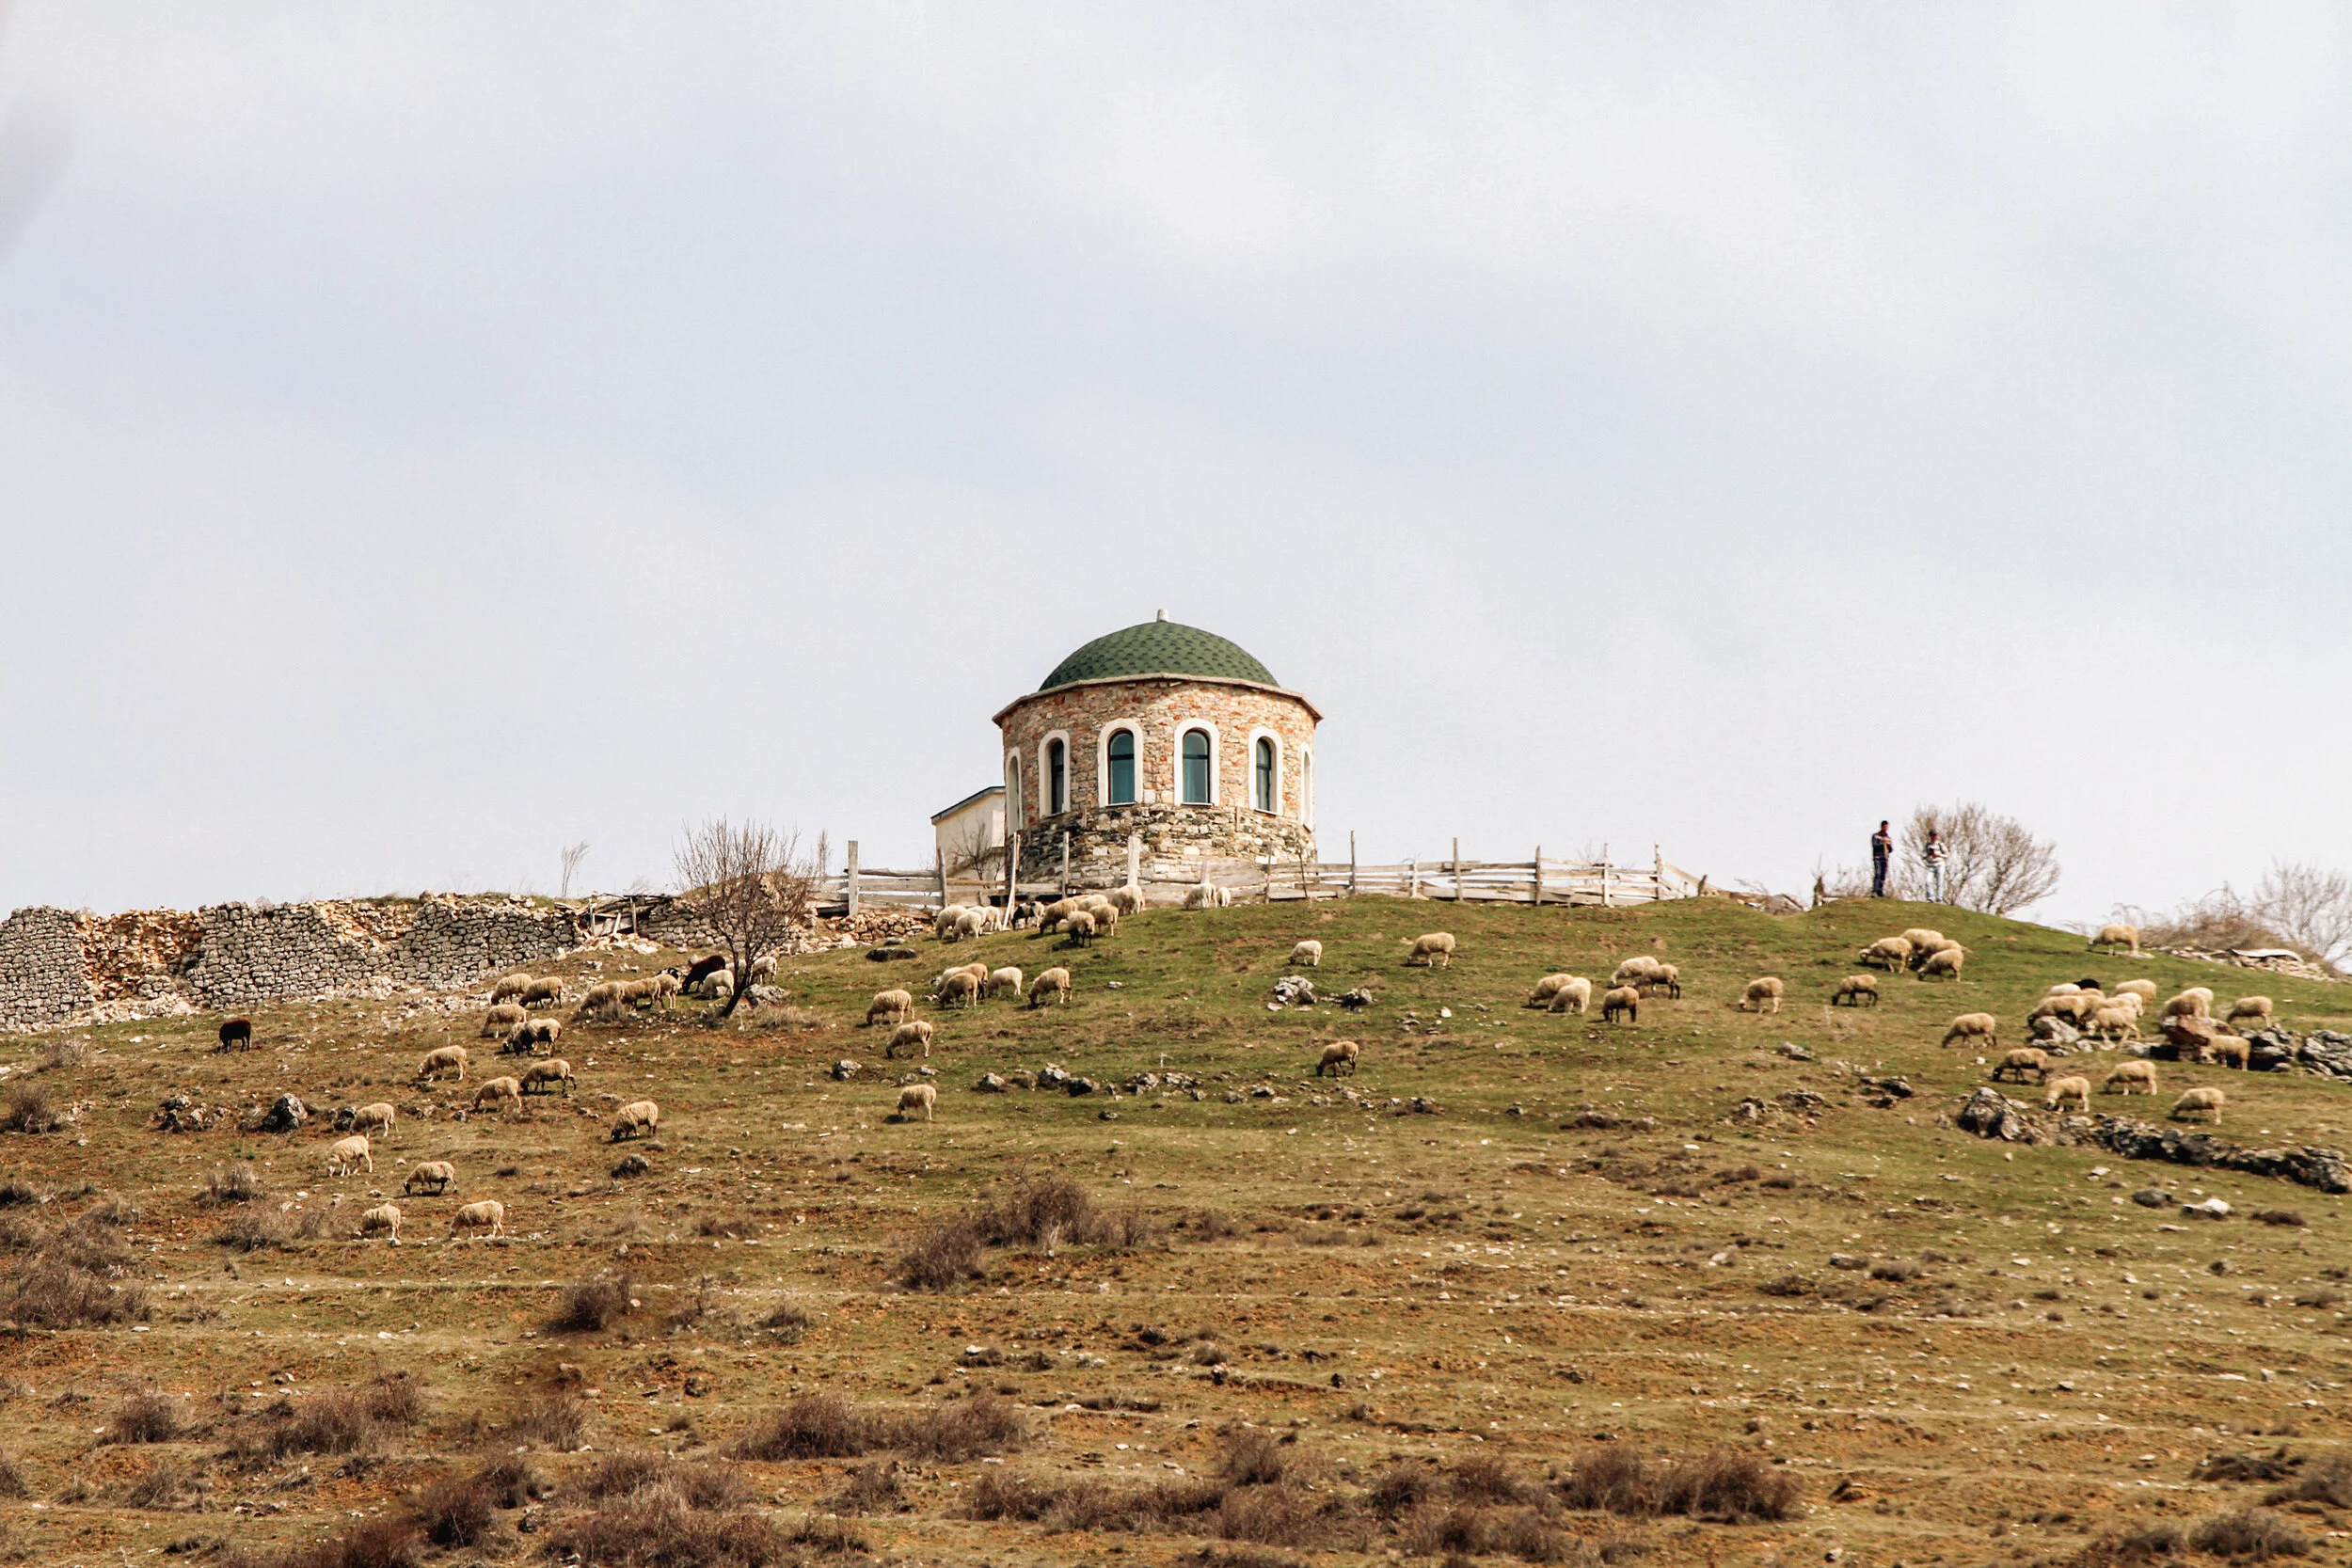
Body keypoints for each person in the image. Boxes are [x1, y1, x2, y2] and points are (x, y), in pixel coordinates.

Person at [1922, 828, 1947, 902]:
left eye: (1935, 835)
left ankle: (1939, 897)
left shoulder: (1940, 844)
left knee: (1940, 880)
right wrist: (1928, 854)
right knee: (1928, 880)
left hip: (1940, 864)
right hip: (1931, 865)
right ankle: (1930, 897)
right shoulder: (1927, 845)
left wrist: (1938, 855)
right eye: (1932, 835)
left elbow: (1947, 855)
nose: (1934, 837)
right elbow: (1923, 856)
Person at [1869, 820, 1893, 897]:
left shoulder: (1888, 837)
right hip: (1877, 857)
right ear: (1882, 827)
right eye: (1885, 827)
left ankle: (1880, 890)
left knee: (1883, 875)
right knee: (1878, 873)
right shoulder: (1876, 836)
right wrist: (1883, 843)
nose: (1886, 828)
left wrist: (1888, 844)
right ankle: (1874, 891)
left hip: (1885, 858)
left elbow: (1891, 850)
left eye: (1887, 827)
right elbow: (1874, 845)